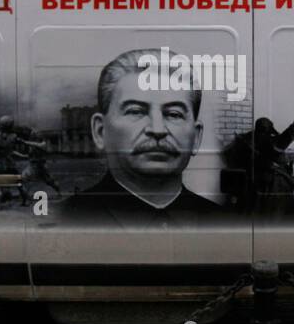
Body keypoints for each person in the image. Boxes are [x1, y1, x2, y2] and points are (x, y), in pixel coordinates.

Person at [61, 48, 221, 227]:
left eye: (174, 114)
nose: (158, 129)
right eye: (136, 111)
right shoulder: (63, 221)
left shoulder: (227, 223)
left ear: (196, 137)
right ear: (100, 131)